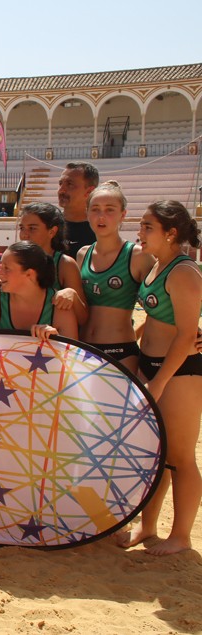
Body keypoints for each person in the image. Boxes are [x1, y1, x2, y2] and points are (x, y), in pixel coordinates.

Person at [116, 200, 202, 555]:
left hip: (179, 371)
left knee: (180, 456)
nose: (140, 232)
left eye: (147, 227)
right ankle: (148, 526)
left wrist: (160, 381)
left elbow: (186, 334)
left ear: (171, 233)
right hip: (152, 365)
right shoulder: (157, 266)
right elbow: (155, 318)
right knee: (157, 454)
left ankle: (180, 536)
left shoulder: (184, 271)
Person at [75, 182, 154, 371]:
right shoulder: (82, 254)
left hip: (121, 352)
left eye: (109, 210)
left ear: (123, 214)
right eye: (95, 209)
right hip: (84, 349)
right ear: (87, 213)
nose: (101, 216)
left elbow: (161, 306)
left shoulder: (138, 256)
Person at [0, 241, 78, 340]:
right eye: (0, 266)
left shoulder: (59, 304)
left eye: (6, 268)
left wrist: (55, 340)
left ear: (29, 274)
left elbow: (72, 353)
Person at [57, 161, 99, 258]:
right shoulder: (48, 225)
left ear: (89, 191)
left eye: (69, 184)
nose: (61, 190)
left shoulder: (100, 231)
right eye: (60, 184)